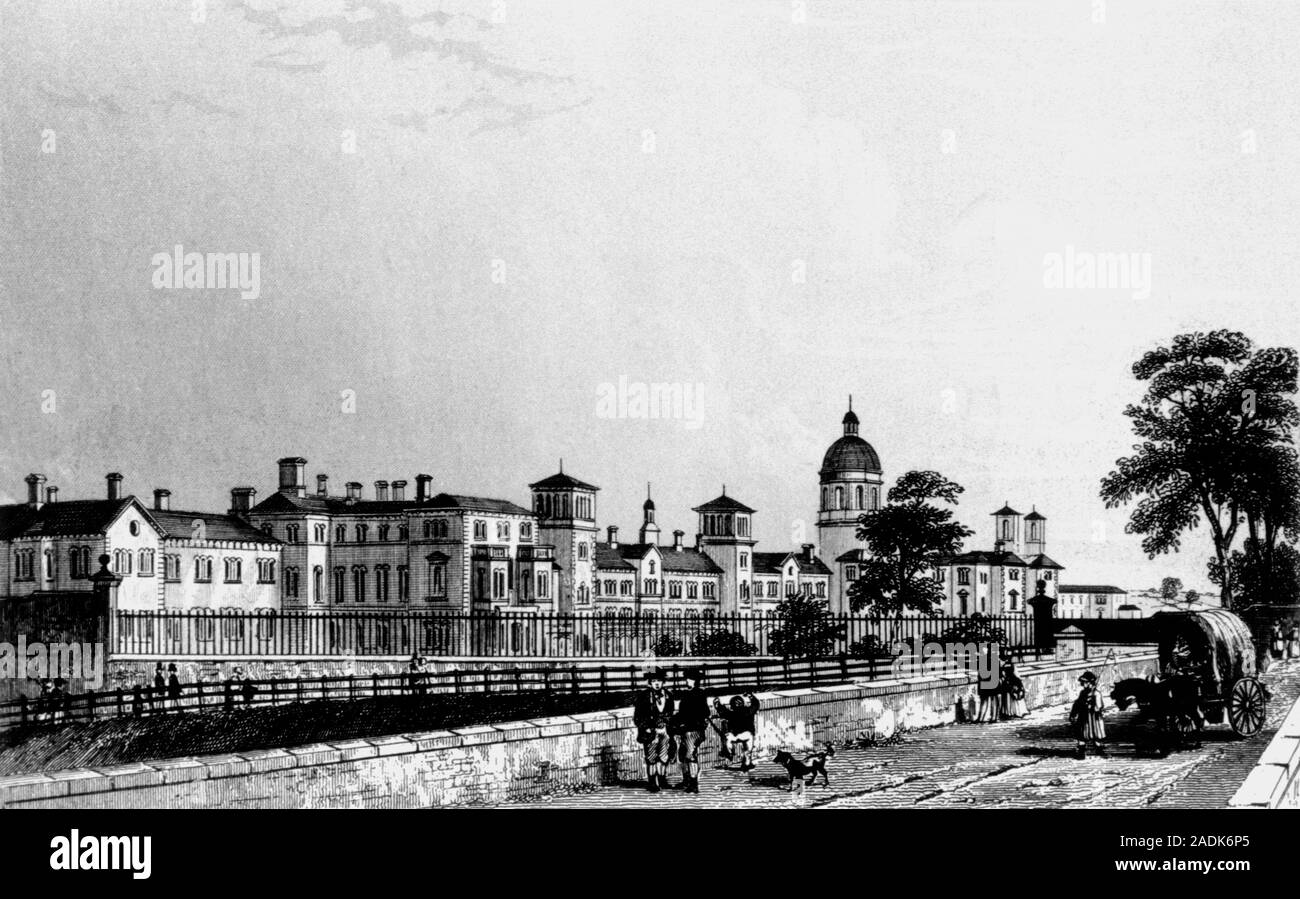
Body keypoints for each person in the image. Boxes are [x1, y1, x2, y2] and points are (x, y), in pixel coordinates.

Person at [633, 668, 675, 793]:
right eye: (654, 681)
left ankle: (662, 780)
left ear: (663, 682)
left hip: (664, 731)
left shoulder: (669, 695)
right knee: (651, 757)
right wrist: (646, 727)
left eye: (659, 681)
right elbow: (637, 717)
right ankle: (652, 782)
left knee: (663, 757)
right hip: (650, 732)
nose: (657, 683)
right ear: (649, 683)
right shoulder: (643, 697)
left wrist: (667, 722)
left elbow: (670, 713)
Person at [670, 668, 709, 793]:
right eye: (687, 678)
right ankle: (687, 780)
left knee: (690, 756)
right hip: (687, 729)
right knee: (683, 755)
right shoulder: (688, 694)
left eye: (690, 679)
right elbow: (682, 713)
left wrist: (682, 720)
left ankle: (693, 783)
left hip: (693, 730)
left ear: (696, 681)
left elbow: (703, 712)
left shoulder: (698, 694)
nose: (688, 681)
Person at [714, 692, 760, 772]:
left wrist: (717, 703)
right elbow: (756, 705)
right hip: (747, 735)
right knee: (747, 751)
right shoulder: (749, 711)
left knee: (728, 738)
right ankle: (746, 764)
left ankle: (729, 752)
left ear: (732, 706)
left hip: (734, 735)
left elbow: (722, 711)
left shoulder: (731, 714)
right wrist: (751, 696)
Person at [1069, 671, 1106, 759]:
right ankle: (1081, 752)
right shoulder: (1083, 693)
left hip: (1093, 718)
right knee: (1082, 735)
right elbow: (1077, 703)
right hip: (1084, 717)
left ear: (1090, 682)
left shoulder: (1097, 693)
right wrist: (1073, 713)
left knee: (1096, 735)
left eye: (1084, 682)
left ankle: (1099, 749)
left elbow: (1099, 707)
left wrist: (1091, 704)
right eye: (1082, 682)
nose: (1082, 684)